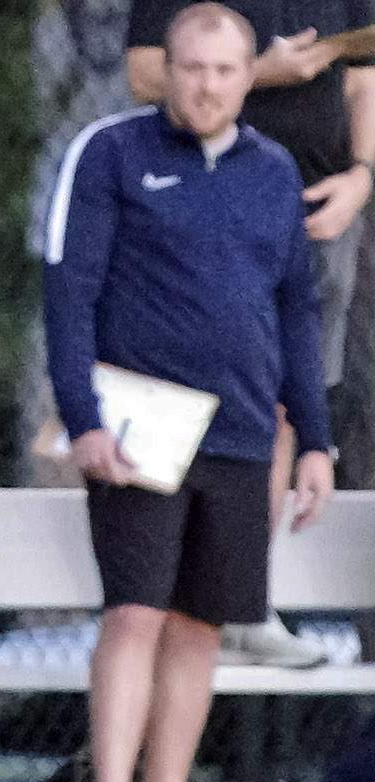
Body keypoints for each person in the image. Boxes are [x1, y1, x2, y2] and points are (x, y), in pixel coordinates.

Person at [45, 2, 333, 782]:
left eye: (225, 69)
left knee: (201, 625)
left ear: (251, 76)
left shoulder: (275, 169)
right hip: (140, 432)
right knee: (135, 612)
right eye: (193, 67)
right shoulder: (110, 153)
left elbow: (297, 308)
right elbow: (68, 294)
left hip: (244, 434)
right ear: (166, 70)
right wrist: (85, 422)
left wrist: (313, 438)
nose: (208, 84)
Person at [125, 0, 375, 668]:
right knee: (186, 391)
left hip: (321, 210)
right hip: (205, 199)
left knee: (288, 404)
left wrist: (361, 175)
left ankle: (243, 603)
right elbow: (145, 75)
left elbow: (362, 78)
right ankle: (155, 596)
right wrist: (261, 71)